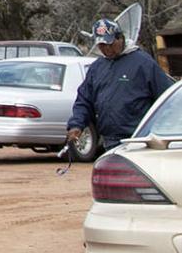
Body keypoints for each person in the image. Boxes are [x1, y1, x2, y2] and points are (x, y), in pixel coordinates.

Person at [68, 16, 173, 153]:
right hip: (110, 140)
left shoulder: (143, 63)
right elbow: (84, 100)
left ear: (120, 38)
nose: (106, 49)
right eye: (101, 45)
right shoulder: (97, 68)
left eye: (109, 44)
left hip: (138, 140)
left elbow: (166, 98)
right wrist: (77, 124)